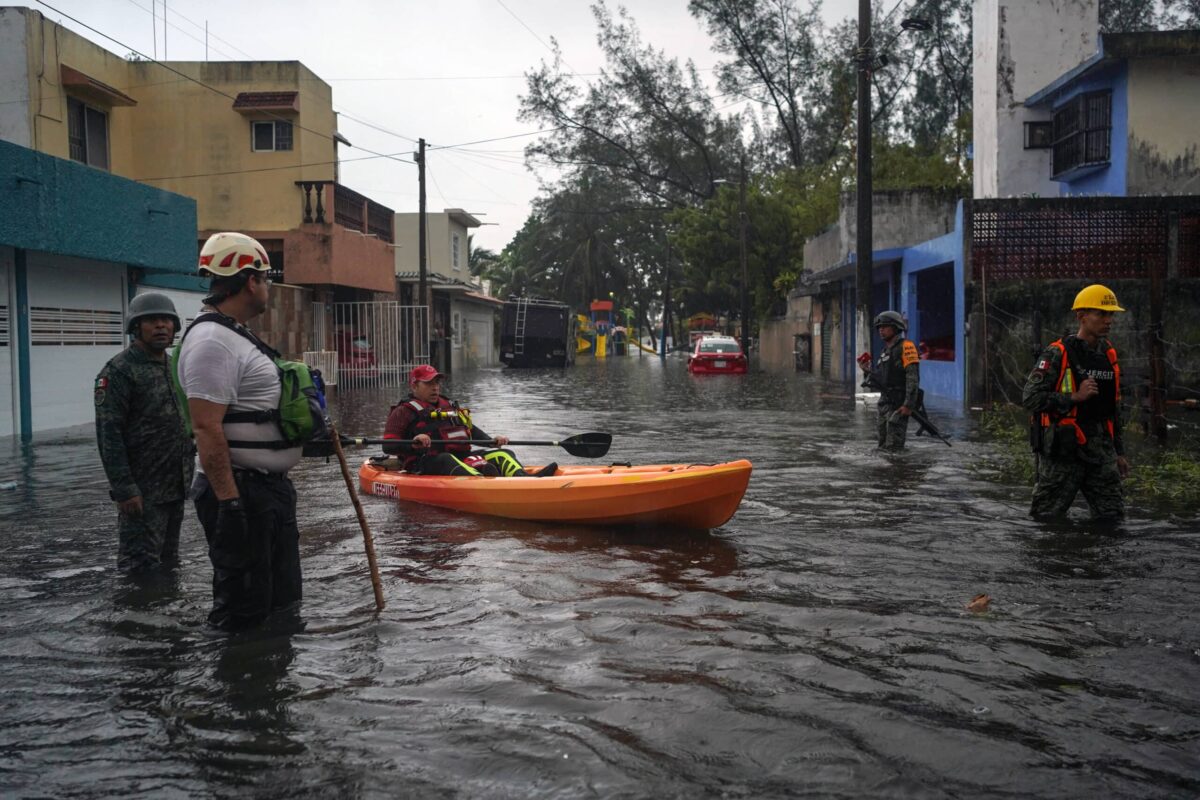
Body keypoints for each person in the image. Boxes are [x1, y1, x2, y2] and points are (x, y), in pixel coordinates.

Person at [176, 232, 303, 630]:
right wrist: (230, 506)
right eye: (266, 278)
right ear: (251, 281)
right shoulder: (213, 341)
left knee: (281, 603)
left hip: (266, 491)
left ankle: (271, 680)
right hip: (241, 494)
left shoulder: (234, 334)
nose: (267, 287)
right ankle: (240, 684)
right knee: (244, 610)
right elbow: (206, 427)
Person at [95, 292, 194, 575]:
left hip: (175, 487)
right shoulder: (119, 371)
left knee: (170, 563)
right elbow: (108, 434)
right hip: (142, 494)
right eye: (152, 321)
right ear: (136, 327)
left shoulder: (174, 365)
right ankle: (134, 617)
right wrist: (125, 489)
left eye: (167, 321)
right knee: (138, 569)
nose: (161, 326)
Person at [1022, 284, 1129, 520]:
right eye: (1101, 313)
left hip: (1101, 452)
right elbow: (1030, 398)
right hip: (1063, 451)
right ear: (1081, 316)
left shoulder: (1108, 354)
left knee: (1112, 519)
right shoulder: (1056, 353)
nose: (1108, 320)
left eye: (1111, 314)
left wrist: (1119, 452)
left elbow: (1114, 409)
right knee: (1046, 519)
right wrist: (1074, 397)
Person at [382, 364, 556, 477]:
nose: (435, 387)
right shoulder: (403, 411)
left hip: (460, 457)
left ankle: (525, 479)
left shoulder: (449, 405)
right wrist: (413, 443)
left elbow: (470, 429)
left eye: (437, 382)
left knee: (504, 454)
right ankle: (480, 479)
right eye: (428, 383)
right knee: (446, 458)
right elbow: (388, 446)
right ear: (414, 386)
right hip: (426, 463)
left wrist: (491, 441)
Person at [858, 310, 921, 451]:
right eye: (879, 327)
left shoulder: (906, 347)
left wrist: (908, 405)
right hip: (884, 404)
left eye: (885, 326)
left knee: (894, 450)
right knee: (882, 447)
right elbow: (881, 381)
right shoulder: (884, 352)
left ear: (895, 327)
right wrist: (867, 371)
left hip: (898, 405)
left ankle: (898, 472)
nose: (881, 330)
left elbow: (913, 378)